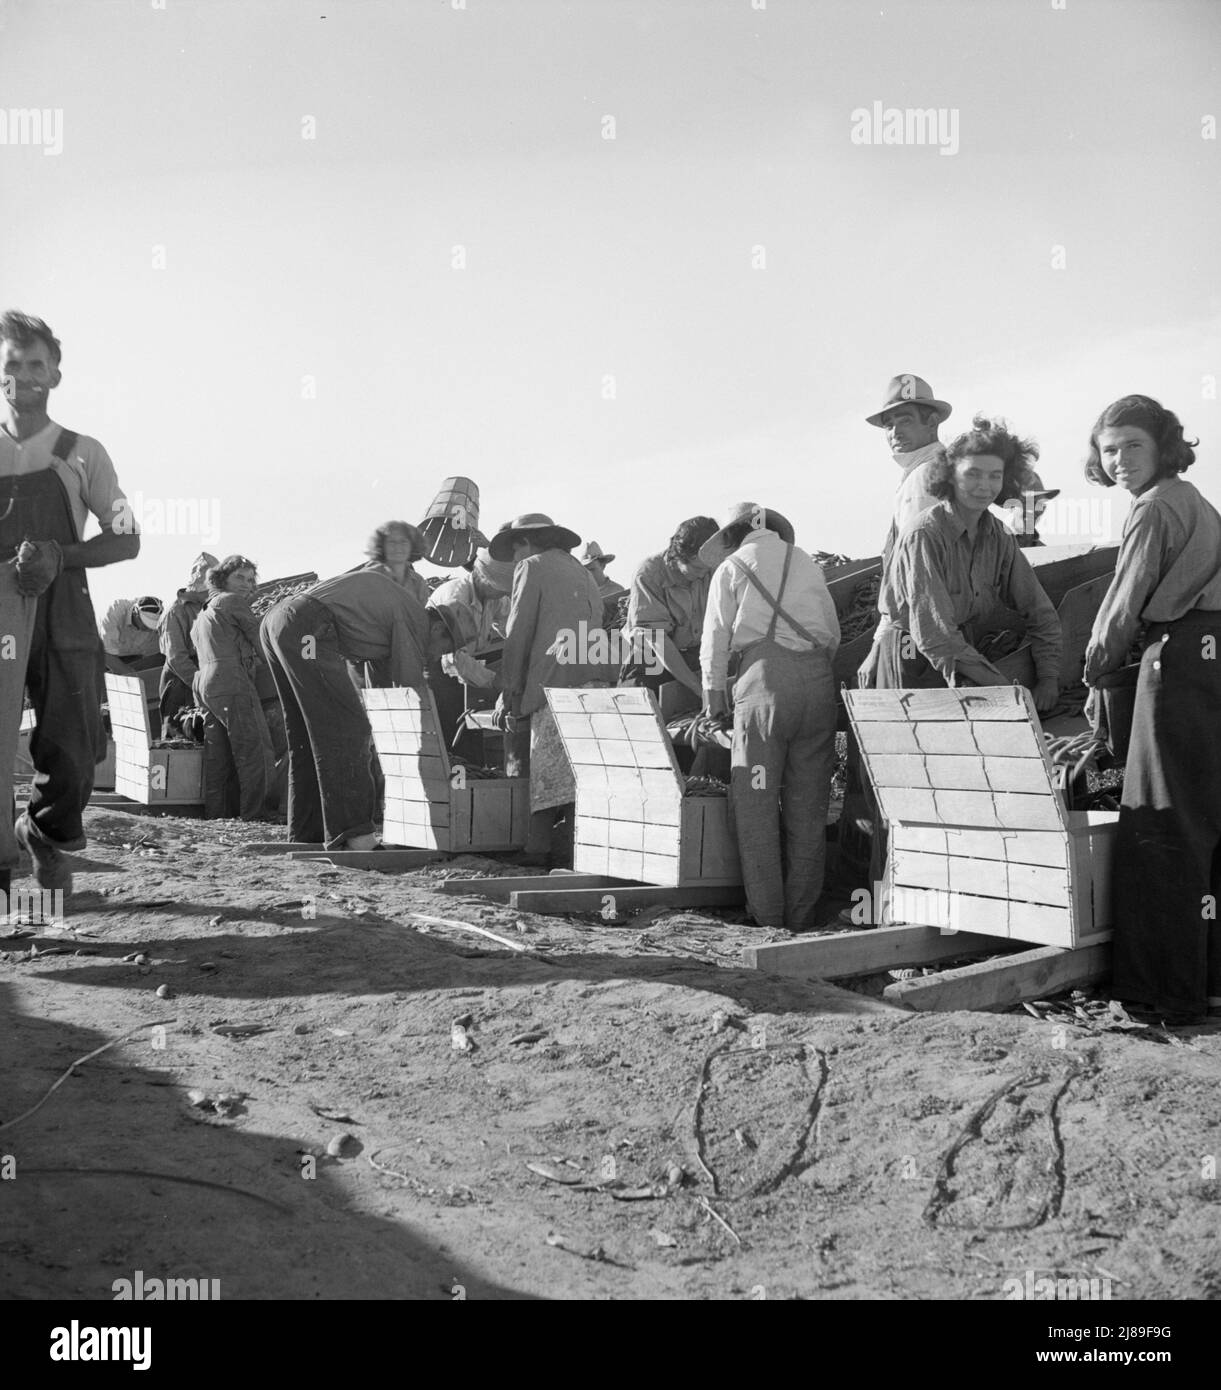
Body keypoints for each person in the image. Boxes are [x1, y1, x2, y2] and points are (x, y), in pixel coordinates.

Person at [1082, 396, 1221, 1021]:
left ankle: (1165, 992)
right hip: (1211, 657)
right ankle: (1208, 980)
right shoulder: (1195, 499)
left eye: (1132, 446)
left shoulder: (1156, 504)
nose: (1118, 461)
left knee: (1159, 821)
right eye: (1108, 450)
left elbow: (1123, 604)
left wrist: (1094, 673)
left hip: (1182, 661)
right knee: (1206, 821)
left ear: (1163, 445)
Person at [0, 311, 140, 901]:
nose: (24, 374)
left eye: (37, 364)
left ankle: (43, 830)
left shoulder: (84, 453)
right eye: (13, 363)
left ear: (55, 374)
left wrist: (62, 554)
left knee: (76, 748)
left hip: (65, 609)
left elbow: (127, 536)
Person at [700, 504, 841, 930]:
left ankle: (769, 918)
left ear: (733, 535)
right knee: (807, 807)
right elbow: (832, 633)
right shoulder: (807, 564)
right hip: (817, 687)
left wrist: (714, 702)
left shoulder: (732, 567)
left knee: (757, 802)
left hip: (764, 687)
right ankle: (802, 916)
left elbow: (716, 638)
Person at [260, 564, 460, 850]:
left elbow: (377, 689)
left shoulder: (383, 620)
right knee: (349, 729)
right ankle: (357, 837)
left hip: (278, 624)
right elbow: (409, 689)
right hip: (307, 629)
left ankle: (307, 833)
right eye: (446, 647)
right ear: (439, 628)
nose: (441, 655)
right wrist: (430, 747)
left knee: (306, 736)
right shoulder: (415, 620)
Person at [874, 416, 1062, 708]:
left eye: (994, 476)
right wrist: (1002, 688)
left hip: (962, 655)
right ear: (950, 475)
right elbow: (934, 636)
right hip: (910, 657)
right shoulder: (925, 534)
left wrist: (1048, 679)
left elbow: (1040, 611)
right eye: (973, 474)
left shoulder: (1000, 537)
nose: (984, 486)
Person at [491, 513, 606, 862]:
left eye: (514, 550)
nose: (513, 559)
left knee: (547, 768)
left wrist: (509, 692)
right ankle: (570, 851)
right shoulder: (582, 572)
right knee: (577, 769)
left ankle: (538, 848)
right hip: (594, 678)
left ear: (527, 543)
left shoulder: (532, 567)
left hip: (554, 681)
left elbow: (518, 634)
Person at [191, 555, 281, 821]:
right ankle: (258, 812)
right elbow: (260, 641)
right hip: (231, 680)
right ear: (222, 578)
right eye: (239, 577)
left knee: (219, 755)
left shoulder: (204, 613)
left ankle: (217, 814)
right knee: (255, 749)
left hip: (205, 685)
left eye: (250, 579)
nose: (246, 584)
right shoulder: (232, 601)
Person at [621, 516, 719, 717]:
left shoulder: (713, 569)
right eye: (697, 568)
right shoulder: (649, 574)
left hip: (696, 659)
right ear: (678, 555)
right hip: (651, 665)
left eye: (706, 569)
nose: (703, 575)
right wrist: (699, 689)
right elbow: (659, 642)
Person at [158, 552, 217, 738]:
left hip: (204, 677)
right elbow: (177, 658)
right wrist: (201, 686)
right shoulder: (174, 612)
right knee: (180, 739)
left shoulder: (207, 607)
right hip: (180, 683)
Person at [361, 520, 431, 605]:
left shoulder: (418, 582)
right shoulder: (368, 577)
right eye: (392, 542)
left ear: (412, 546)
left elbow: (421, 614)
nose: (398, 547)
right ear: (381, 546)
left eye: (403, 542)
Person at [99, 595, 163, 672]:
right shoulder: (115, 612)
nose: (149, 628)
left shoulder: (162, 623)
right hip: (105, 657)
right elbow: (106, 654)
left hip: (136, 657)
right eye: (146, 623)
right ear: (135, 612)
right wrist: (129, 673)